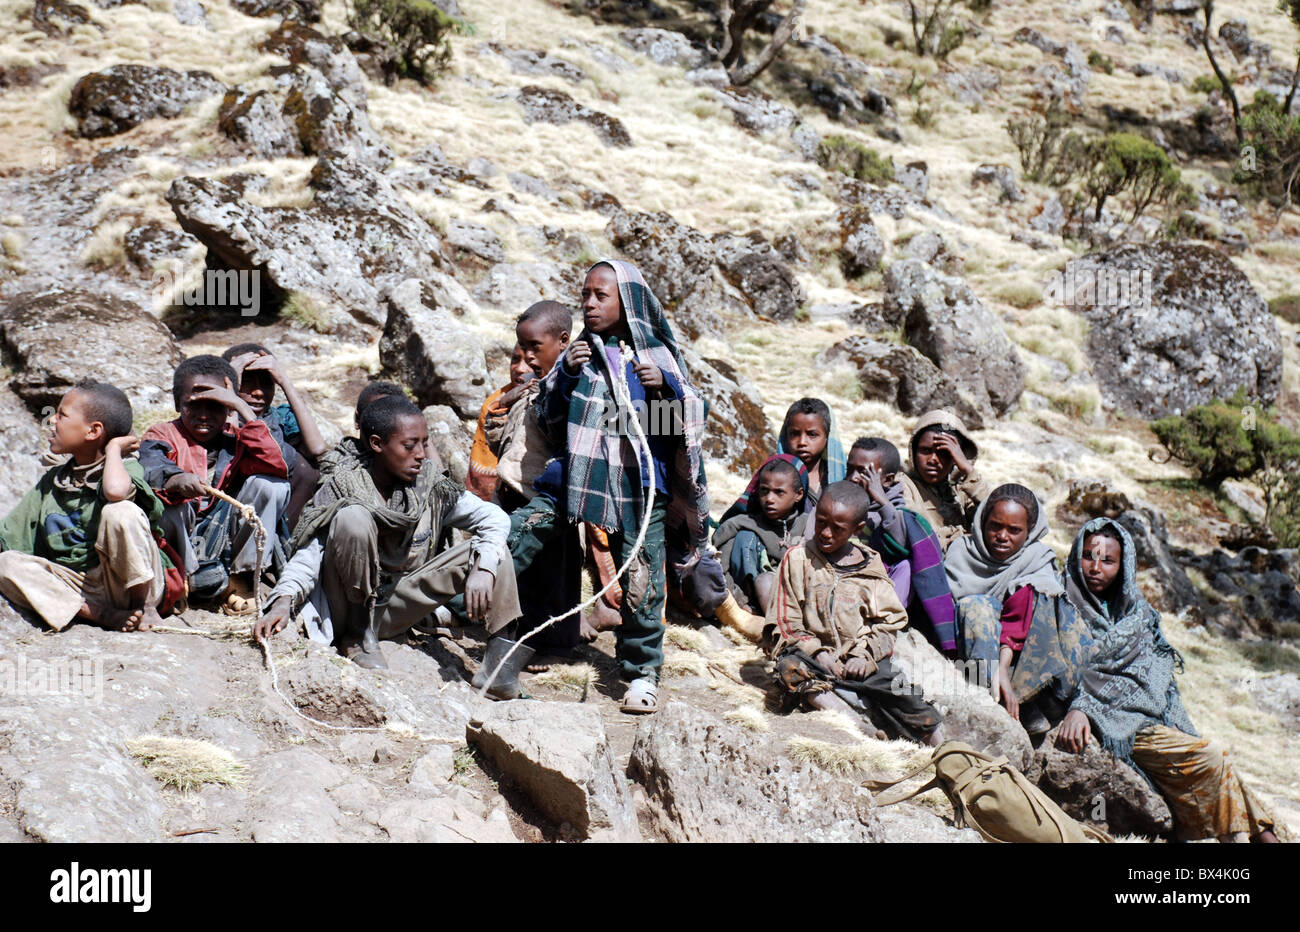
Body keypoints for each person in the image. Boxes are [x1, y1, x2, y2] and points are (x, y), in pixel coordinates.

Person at [535, 259, 711, 714]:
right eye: (586, 295)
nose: (590, 305)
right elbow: (552, 423)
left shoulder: (658, 358)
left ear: (627, 300)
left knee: (645, 579)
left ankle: (641, 672)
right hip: (593, 485)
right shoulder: (582, 355)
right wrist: (568, 375)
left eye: (601, 296)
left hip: (643, 487)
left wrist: (667, 390)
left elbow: (675, 431)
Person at [252, 395, 521, 679]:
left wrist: (484, 568)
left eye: (424, 443)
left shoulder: (430, 486)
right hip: (346, 609)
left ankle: (500, 668)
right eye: (409, 445)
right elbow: (309, 555)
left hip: (395, 607)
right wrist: (283, 600)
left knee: (491, 550)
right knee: (353, 517)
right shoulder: (344, 486)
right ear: (377, 444)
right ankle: (358, 638)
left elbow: (495, 518)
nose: (421, 454)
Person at [1056, 518, 1281, 843]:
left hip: (1152, 719)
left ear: (1124, 565)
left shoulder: (1139, 613)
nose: (1095, 567)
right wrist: (1082, 706)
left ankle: (1264, 836)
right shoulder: (1062, 603)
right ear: (1077, 554)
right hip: (1117, 725)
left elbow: (1159, 678)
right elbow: (1066, 668)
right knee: (1213, 757)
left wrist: (1173, 719)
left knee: (1215, 759)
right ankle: (1255, 839)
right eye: (1089, 555)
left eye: (1108, 560)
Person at [766, 481, 943, 746]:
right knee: (789, 669)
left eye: (837, 529)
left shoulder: (871, 569)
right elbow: (785, 619)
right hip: (812, 656)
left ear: (857, 529)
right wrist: (817, 651)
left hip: (859, 662)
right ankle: (853, 723)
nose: (825, 533)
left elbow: (888, 623)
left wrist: (864, 656)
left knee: (904, 694)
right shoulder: (798, 559)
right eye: (821, 522)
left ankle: (942, 745)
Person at [0, 380, 172, 632]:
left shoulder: (125, 469)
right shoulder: (54, 481)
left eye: (62, 415)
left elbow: (115, 492)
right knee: (6, 563)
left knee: (121, 511)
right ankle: (98, 614)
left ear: (93, 431)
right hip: (77, 588)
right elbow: (9, 535)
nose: (52, 421)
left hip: (125, 581)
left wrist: (113, 449)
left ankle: (144, 608)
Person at [139, 355, 292, 614]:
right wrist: (175, 479)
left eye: (216, 406)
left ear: (228, 408)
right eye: (193, 406)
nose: (204, 416)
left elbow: (280, 462)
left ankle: (239, 578)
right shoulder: (162, 434)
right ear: (178, 403)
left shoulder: (238, 439)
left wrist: (242, 407)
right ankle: (179, 582)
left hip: (223, 536)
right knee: (171, 508)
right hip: (178, 536)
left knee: (272, 486)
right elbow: (150, 466)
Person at [945, 484, 1089, 736]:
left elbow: (1024, 619)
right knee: (976, 606)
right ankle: (992, 698)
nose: (1002, 536)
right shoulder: (962, 551)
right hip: (972, 652)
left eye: (1014, 530)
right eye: (995, 526)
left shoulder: (1037, 558)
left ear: (1029, 532)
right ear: (982, 522)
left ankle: (1035, 697)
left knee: (1049, 601)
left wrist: (1003, 667)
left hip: (1020, 658)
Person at [845, 437, 956, 655]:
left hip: (880, 590)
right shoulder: (842, 498)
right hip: (846, 581)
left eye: (863, 472)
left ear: (886, 480)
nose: (852, 478)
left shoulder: (897, 508)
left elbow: (899, 544)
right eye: (850, 469)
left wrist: (882, 503)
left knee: (904, 566)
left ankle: (883, 627)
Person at [221, 343, 330, 530]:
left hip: (277, 517)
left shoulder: (279, 418)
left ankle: (287, 545)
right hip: (226, 515)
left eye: (266, 383)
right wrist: (229, 388)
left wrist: (285, 381)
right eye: (246, 382)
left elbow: (317, 448)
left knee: (308, 468)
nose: (258, 392)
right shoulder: (213, 419)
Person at [712, 455, 808, 638]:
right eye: (764, 491)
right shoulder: (739, 524)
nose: (770, 499)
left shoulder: (808, 525)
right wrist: (740, 602)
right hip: (752, 601)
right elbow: (719, 569)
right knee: (746, 539)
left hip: (796, 601)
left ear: (799, 494)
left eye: (779, 492)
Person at [900, 410, 989, 552]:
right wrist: (965, 538)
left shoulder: (961, 491)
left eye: (944, 453)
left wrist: (967, 469)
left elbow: (996, 516)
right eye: (925, 450)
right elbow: (918, 538)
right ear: (913, 452)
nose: (933, 460)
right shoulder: (903, 486)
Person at [466, 343, 535, 503]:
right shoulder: (494, 403)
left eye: (530, 363)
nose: (519, 368)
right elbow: (483, 470)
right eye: (515, 359)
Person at [776, 398, 844, 514]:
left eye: (812, 435)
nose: (802, 442)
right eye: (795, 434)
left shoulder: (843, 478)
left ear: (827, 437)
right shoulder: (773, 474)